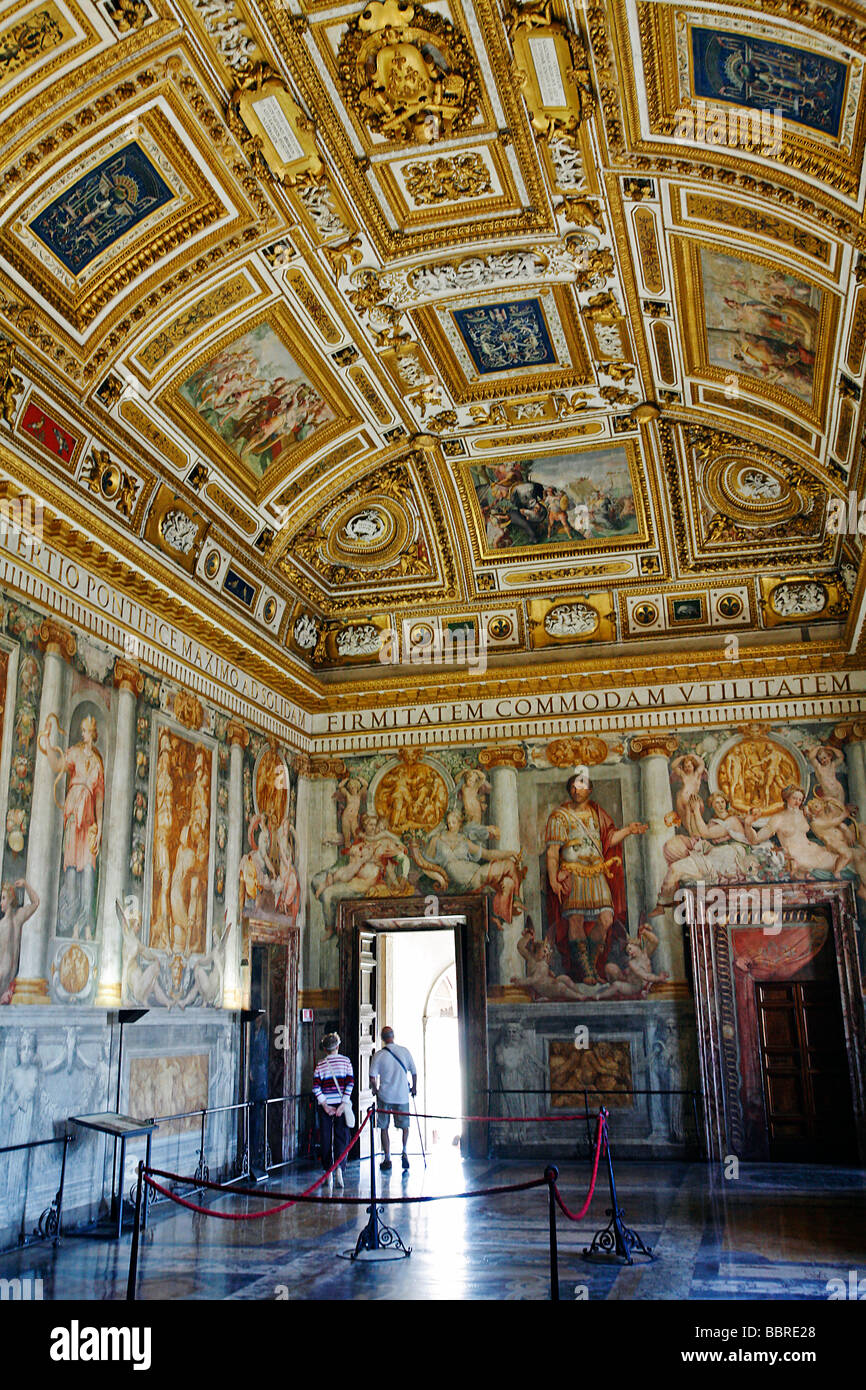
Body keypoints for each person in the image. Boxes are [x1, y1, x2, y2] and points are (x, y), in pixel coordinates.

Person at [370, 1026, 416, 1172]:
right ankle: (404, 1151)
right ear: (393, 1036)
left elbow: (372, 1077)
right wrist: (414, 1087)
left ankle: (387, 1157)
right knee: (405, 1126)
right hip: (402, 1095)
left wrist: (375, 1089)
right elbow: (414, 1072)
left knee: (384, 1127)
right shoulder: (404, 1051)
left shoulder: (378, 1055)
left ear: (382, 1038)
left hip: (385, 1095)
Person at [312, 1032, 354, 1191]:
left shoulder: (320, 1065)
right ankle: (339, 1171)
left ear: (324, 1048)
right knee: (341, 1137)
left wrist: (325, 1105)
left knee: (325, 1138)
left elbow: (316, 1087)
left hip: (326, 1106)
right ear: (337, 1046)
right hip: (341, 1104)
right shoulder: (346, 1062)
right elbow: (350, 1083)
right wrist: (343, 1103)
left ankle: (327, 1172)